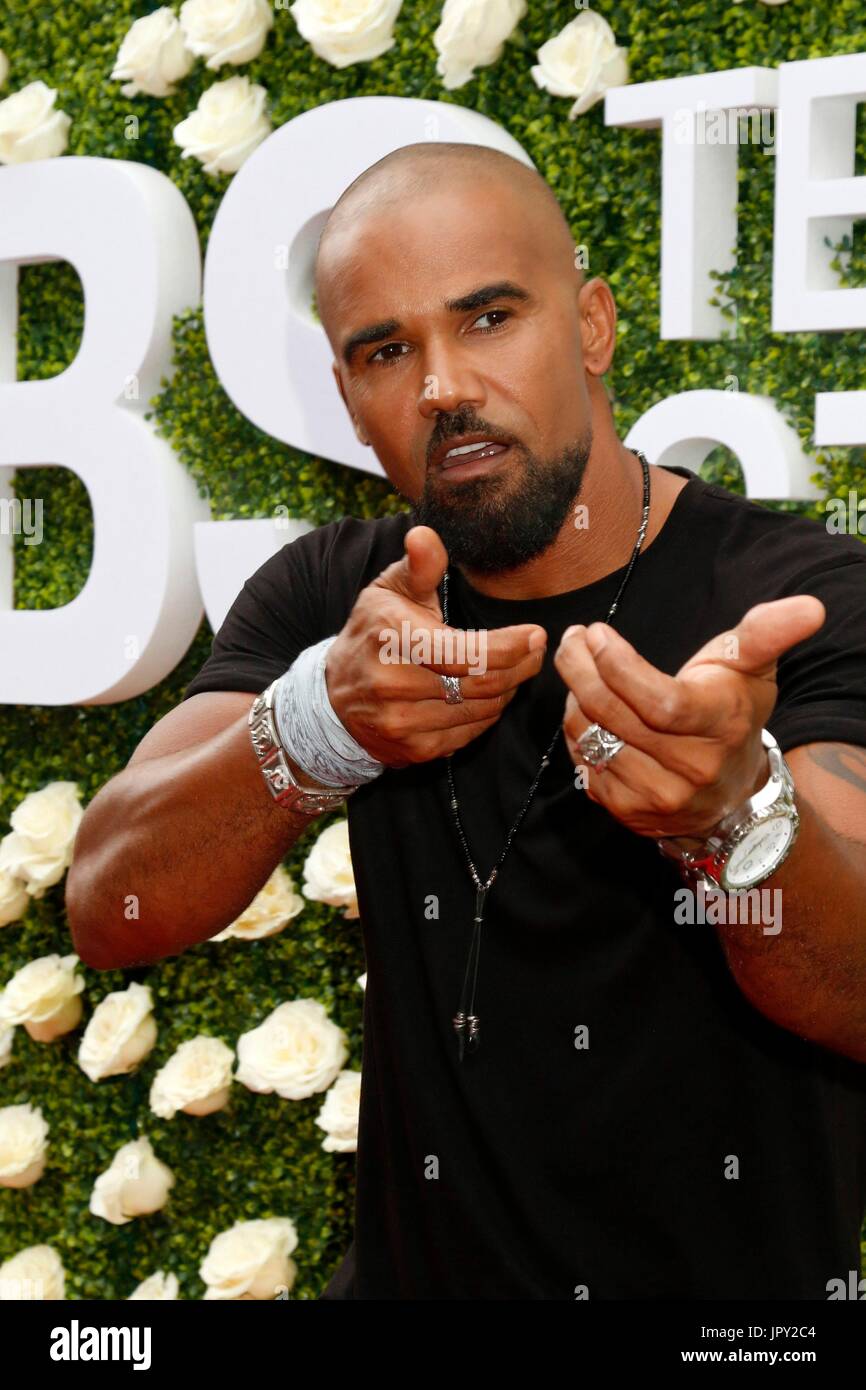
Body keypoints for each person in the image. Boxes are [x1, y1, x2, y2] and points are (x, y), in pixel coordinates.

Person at [66, 142, 866, 1301]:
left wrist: (737, 819)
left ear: (590, 326)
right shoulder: (332, 600)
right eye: (386, 350)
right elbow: (111, 901)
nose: (441, 385)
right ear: (348, 399)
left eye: (488, 317)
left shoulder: (799, 599)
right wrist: (310, 732)